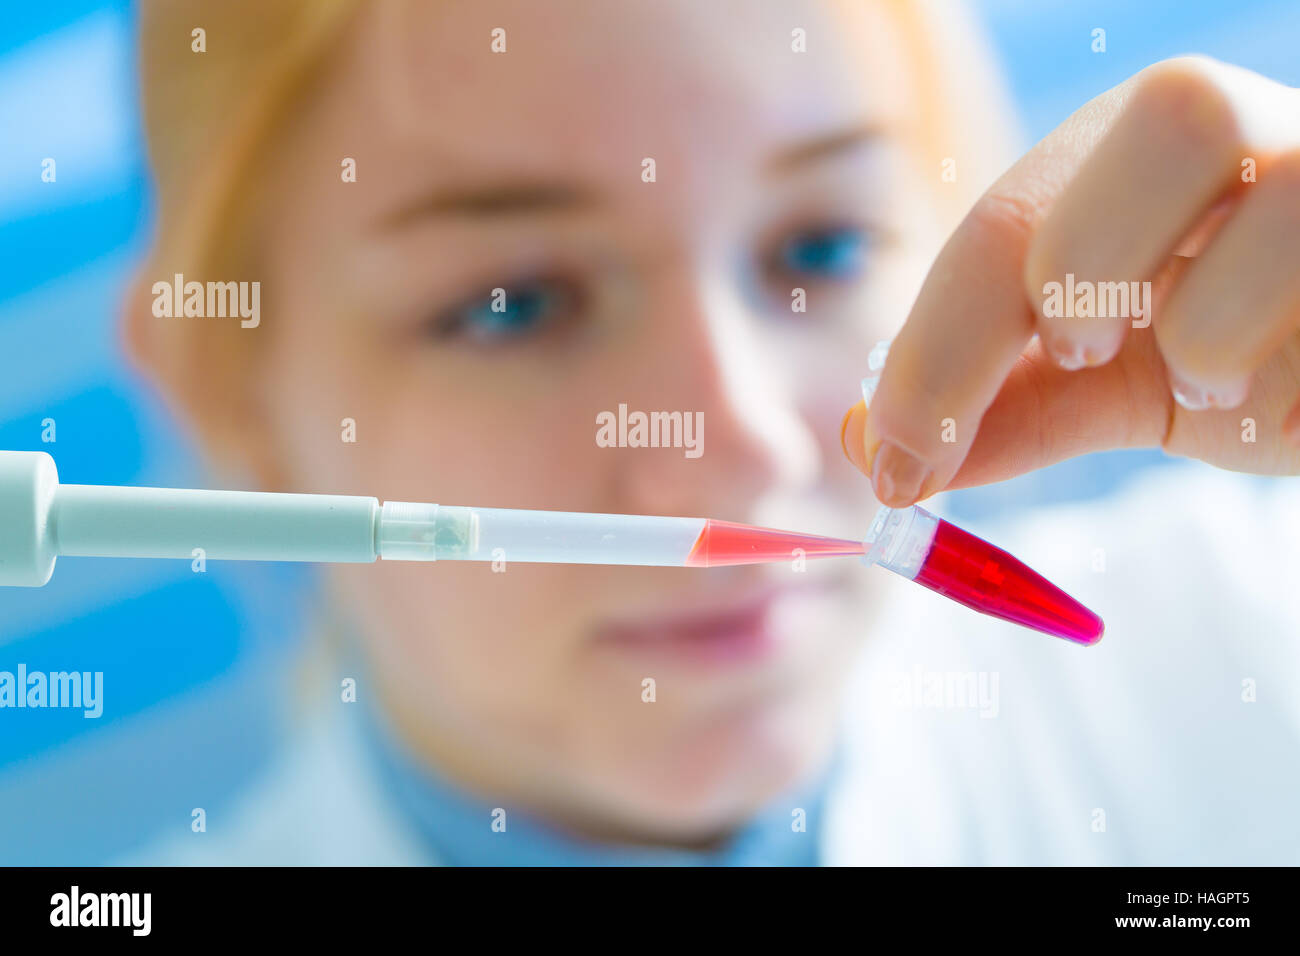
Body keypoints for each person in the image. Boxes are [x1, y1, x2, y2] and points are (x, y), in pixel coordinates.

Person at [119, 0, 1300, 865]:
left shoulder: (1245, 642)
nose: (736, 447)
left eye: (818, 250)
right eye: (512, 303)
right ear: (227, 384)